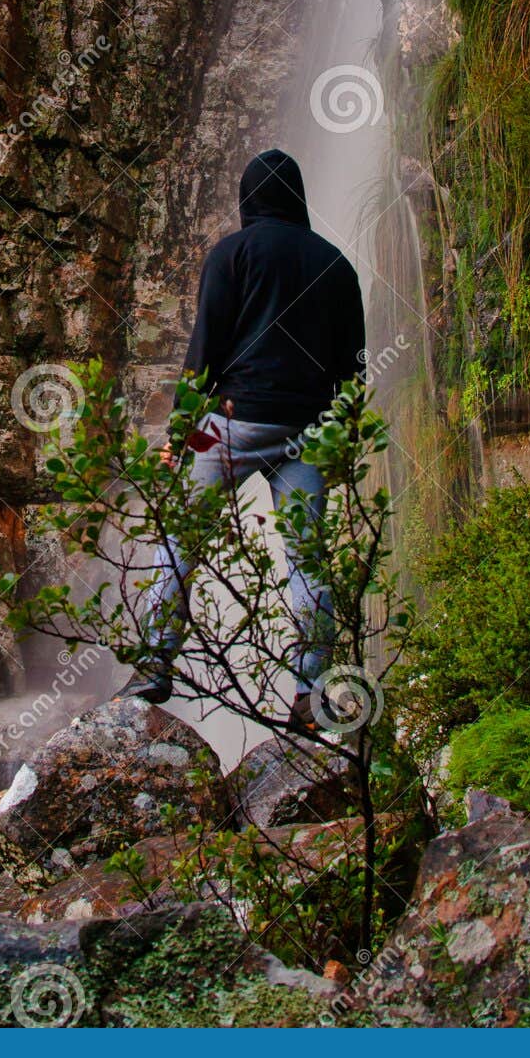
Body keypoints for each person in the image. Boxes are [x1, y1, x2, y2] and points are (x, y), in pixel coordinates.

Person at [124, 148, 367, 729]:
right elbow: (354, 367)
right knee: (307, 557)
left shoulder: (231, 254)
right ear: (299, 196)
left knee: (180, 538)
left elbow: (203, 352)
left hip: (230, 424)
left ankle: (155, 664)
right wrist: (342, 436)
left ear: (248, 198)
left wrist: (180, 431)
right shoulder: (337, 264)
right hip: (308, 430)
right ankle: (312, 693)